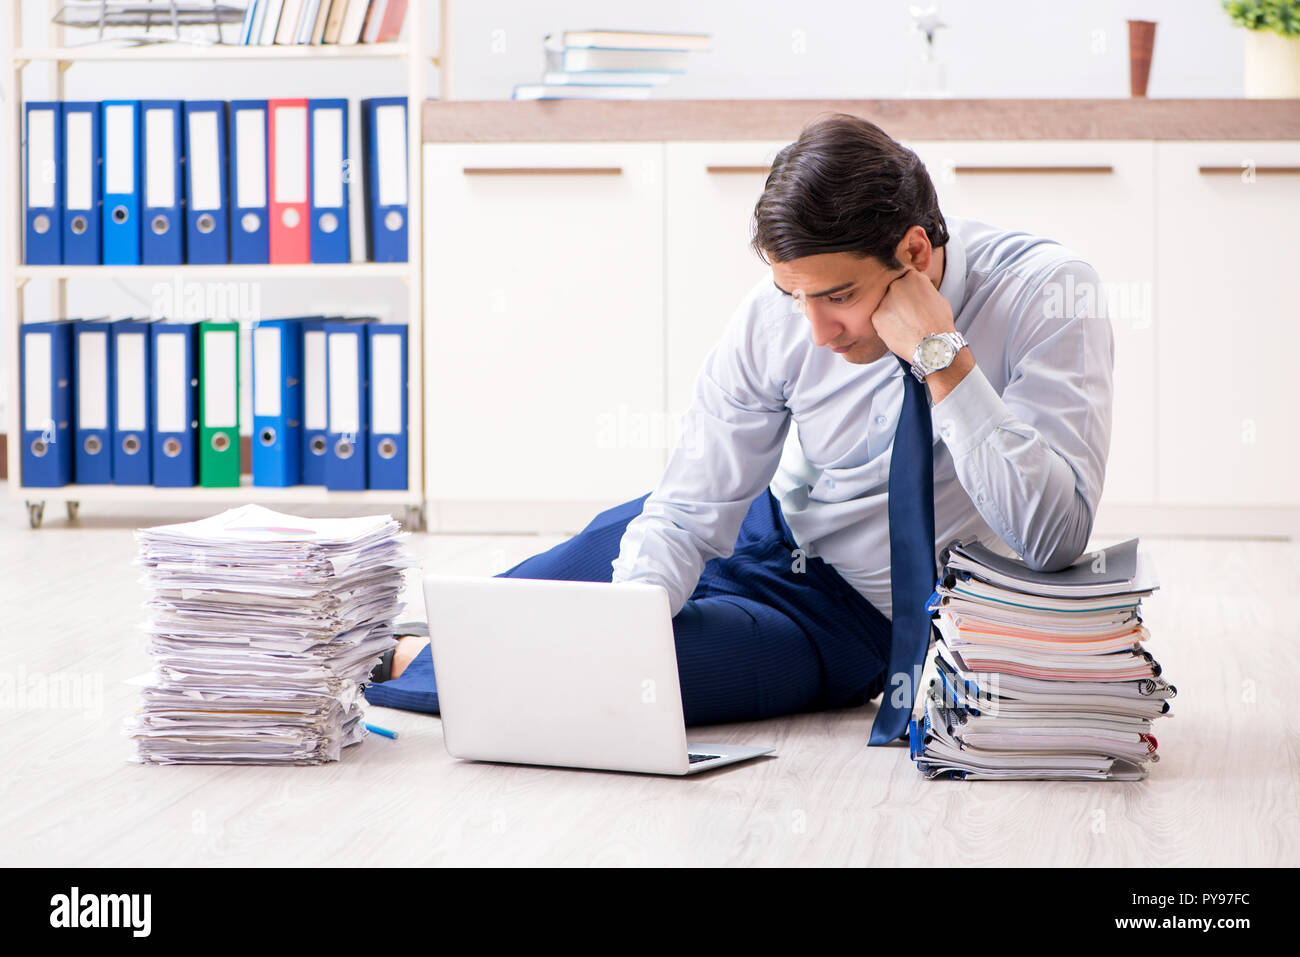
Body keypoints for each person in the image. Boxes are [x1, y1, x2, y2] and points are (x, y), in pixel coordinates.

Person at [367, 112, 1113, 730]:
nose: (818, 330)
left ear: (914, 251)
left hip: (847, 618)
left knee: (610, 688)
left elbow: (1052, 536)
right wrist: (634, 617)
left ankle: (409, 662)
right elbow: (689, 510)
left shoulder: (1048, 294)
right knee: (503, 615)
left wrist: (943, 358)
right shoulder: (777, 315)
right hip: (756, 529)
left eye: (838, 297)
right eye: (797, 297)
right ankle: (380, 651)